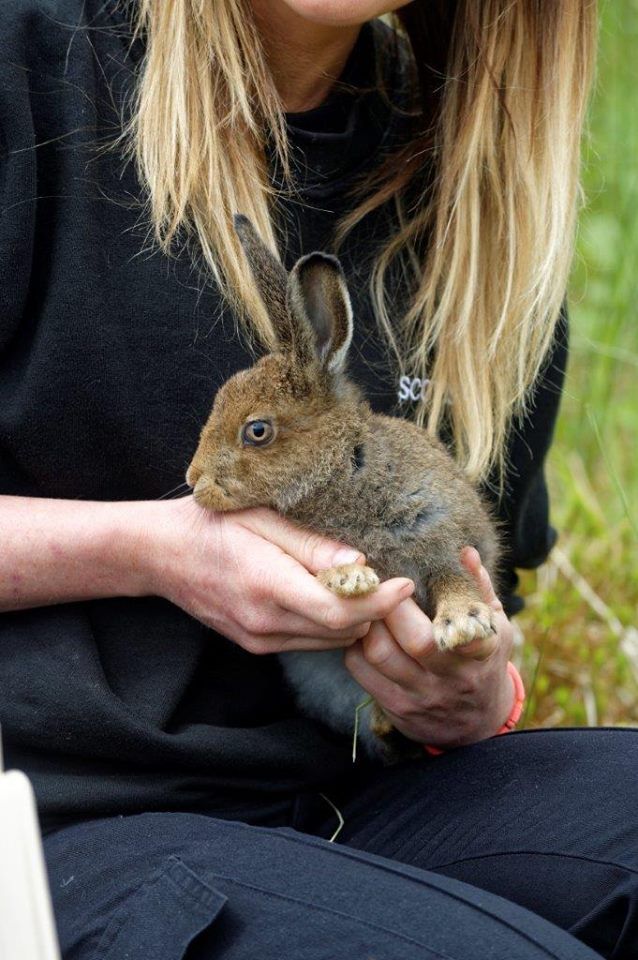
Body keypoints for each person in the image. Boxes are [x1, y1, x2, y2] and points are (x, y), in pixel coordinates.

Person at [0, 1, 636, 958]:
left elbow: (485, 578)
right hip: (57, 824)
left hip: (360, 797)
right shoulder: (30, 66)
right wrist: (152, 552)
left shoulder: (473, 181)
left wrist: (471, 694)